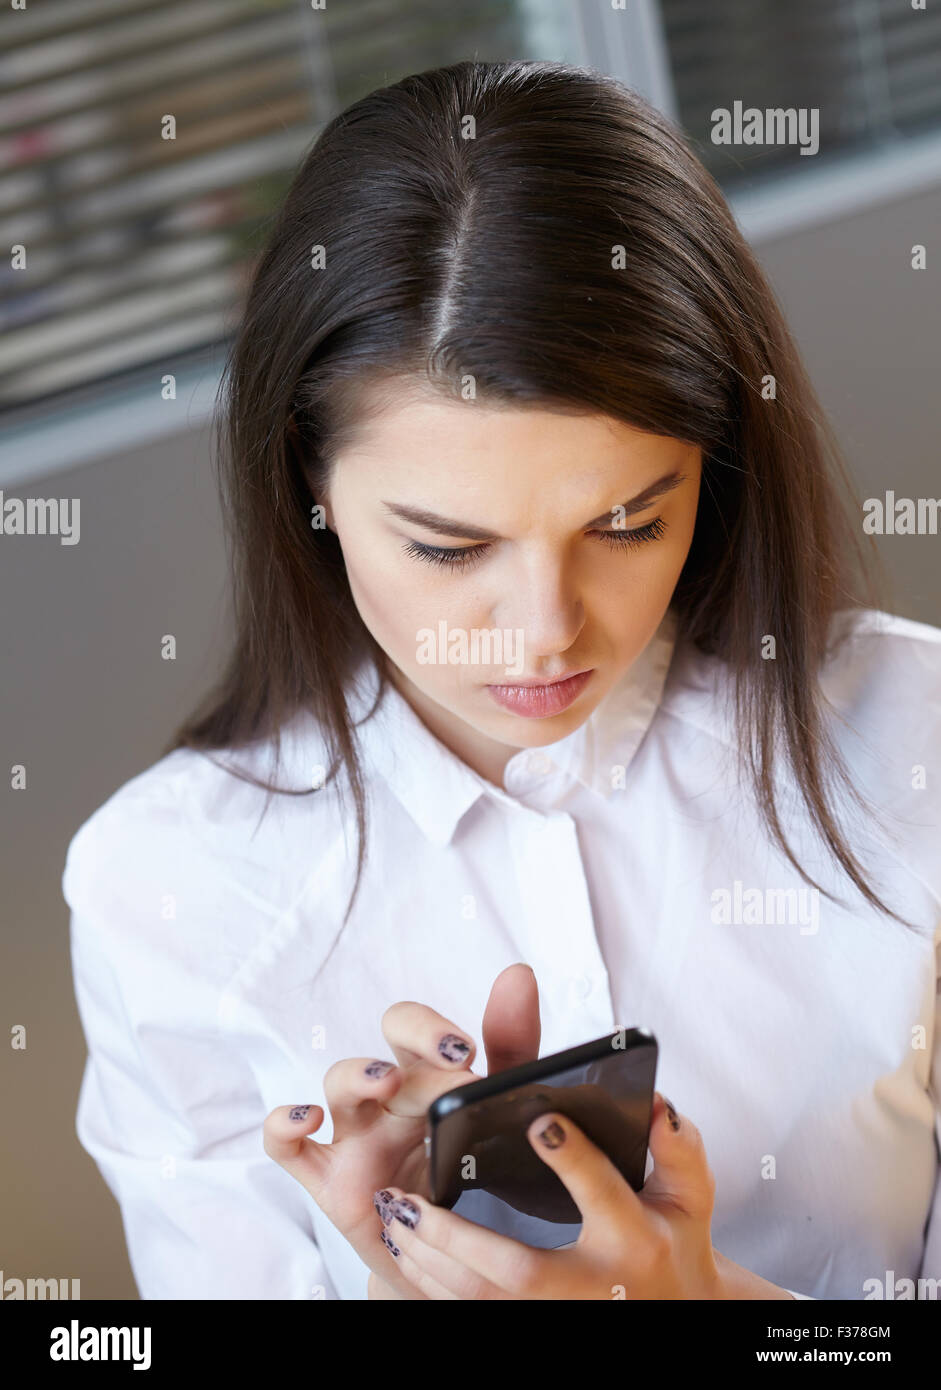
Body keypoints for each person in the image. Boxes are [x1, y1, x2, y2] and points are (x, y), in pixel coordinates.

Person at [63, 59, 941, 1301]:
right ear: (306, 485)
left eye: (630, 521)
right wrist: (389, 1277)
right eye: (447, 547)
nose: (540, 635)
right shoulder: (166, 886)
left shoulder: (916, 748)